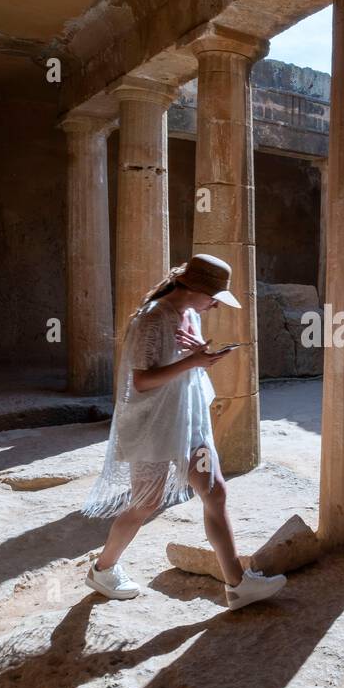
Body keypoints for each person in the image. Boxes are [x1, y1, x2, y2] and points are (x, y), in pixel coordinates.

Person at [81, 254, 287, 610]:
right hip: (152, 427)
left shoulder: (189, 313)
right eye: (212, 298)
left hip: (187, 420)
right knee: (145, 503)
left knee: (215, 491)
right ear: (193, 288)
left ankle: (237, 585)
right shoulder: (151, 320)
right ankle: (103, 569)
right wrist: (192, 361)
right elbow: (142, 382)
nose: (213, 306)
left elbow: (181, 367)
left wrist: (199, 354)